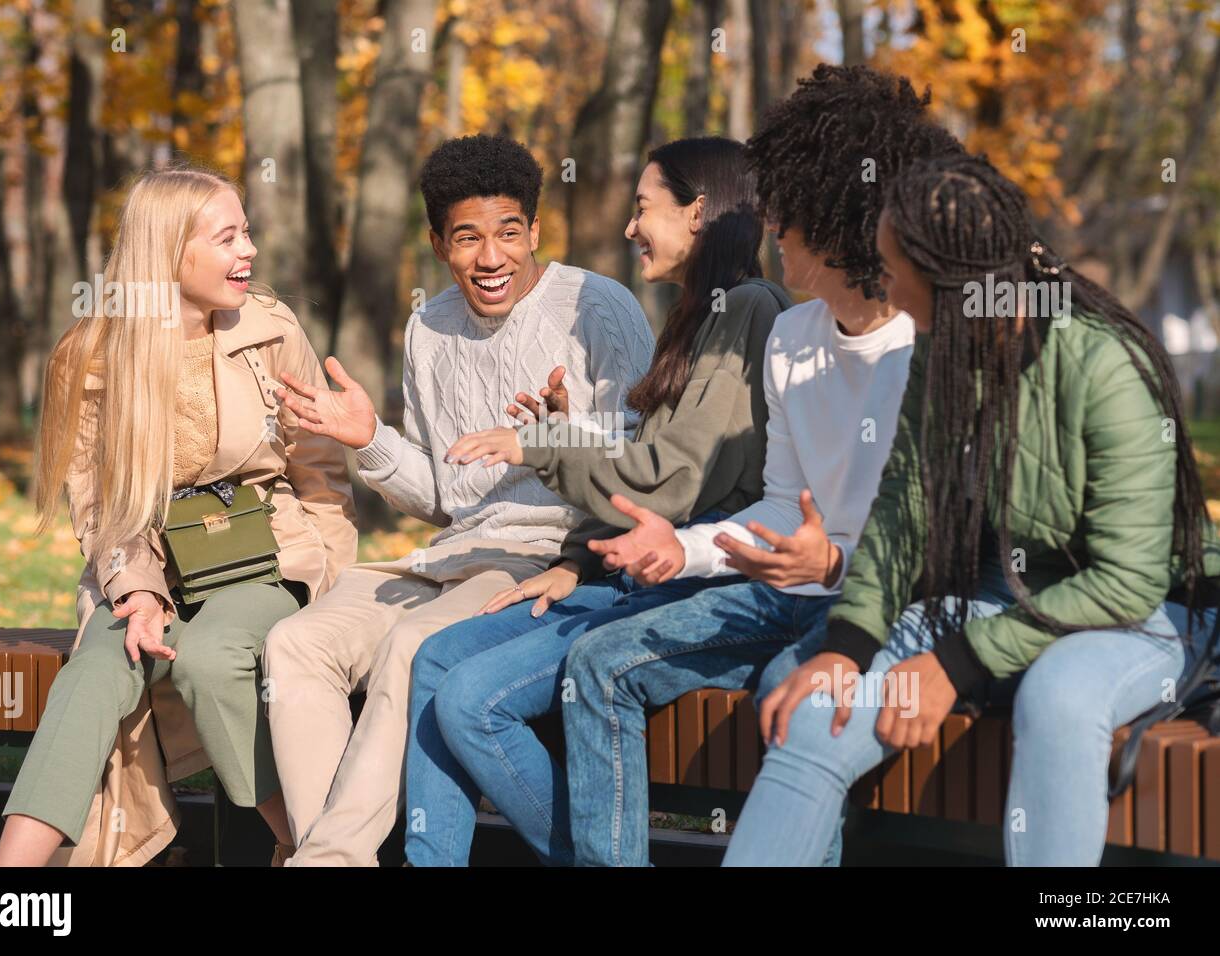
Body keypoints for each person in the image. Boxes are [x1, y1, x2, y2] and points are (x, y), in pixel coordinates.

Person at [724, 151, 1220, 867]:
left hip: (1151, 614)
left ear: (947, 282)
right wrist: (848, 646)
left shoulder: (1105, 365)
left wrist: (954, 662)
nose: (883, 281)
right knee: (814, 710)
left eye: (894, 267)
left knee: (1060, 695)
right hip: (1009, 602)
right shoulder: (942, 347)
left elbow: (1128, 579)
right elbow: (902, 511)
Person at [560, 65, 965, 867]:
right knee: (597, 662)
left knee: (790, 686)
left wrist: (838, 561)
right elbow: (782, 506)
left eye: (788, 209)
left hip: (885, 606)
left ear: (839, 218)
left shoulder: (929, 342)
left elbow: (955, 539)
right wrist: (688, 549)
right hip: (786, 588)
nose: (770, 223)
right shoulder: (792, 337)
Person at [264, 134, 655, 866]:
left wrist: (563, 437)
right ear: (440, 242)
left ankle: (324, 861)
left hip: (548, 557)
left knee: (413, 648)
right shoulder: (429, 326)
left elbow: (647, 451)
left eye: (510, 232)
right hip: (453, 554)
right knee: (295, 642)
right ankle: (332, 851)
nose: (492, 257)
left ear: (536, 230)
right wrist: (370, 439)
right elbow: (446, 496)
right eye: (468, 238)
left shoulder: (597, 307)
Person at [404, 135, 790, 866]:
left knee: (472, 702)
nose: (630, 228)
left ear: (699, 212)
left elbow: (669, 479)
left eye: (644, 209)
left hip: (695, 586)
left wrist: (534, 446)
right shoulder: (698, 315)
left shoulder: (748, 311)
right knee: (432, 662)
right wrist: (578, 558)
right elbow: (637, 449)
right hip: (624, 574)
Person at [0, 167, 358, 867]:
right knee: (102, 664)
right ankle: (2, 883)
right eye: (227, 237)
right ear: (169, 253)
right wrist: (135, 593)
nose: (247, 250)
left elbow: (322, 474)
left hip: (263, 555)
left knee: (210, 656)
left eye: (246, 231)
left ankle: (312, 849)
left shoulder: (272, 330)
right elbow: (98, 500)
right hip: (142, 557)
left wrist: (333, 583)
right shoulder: (93, 353)